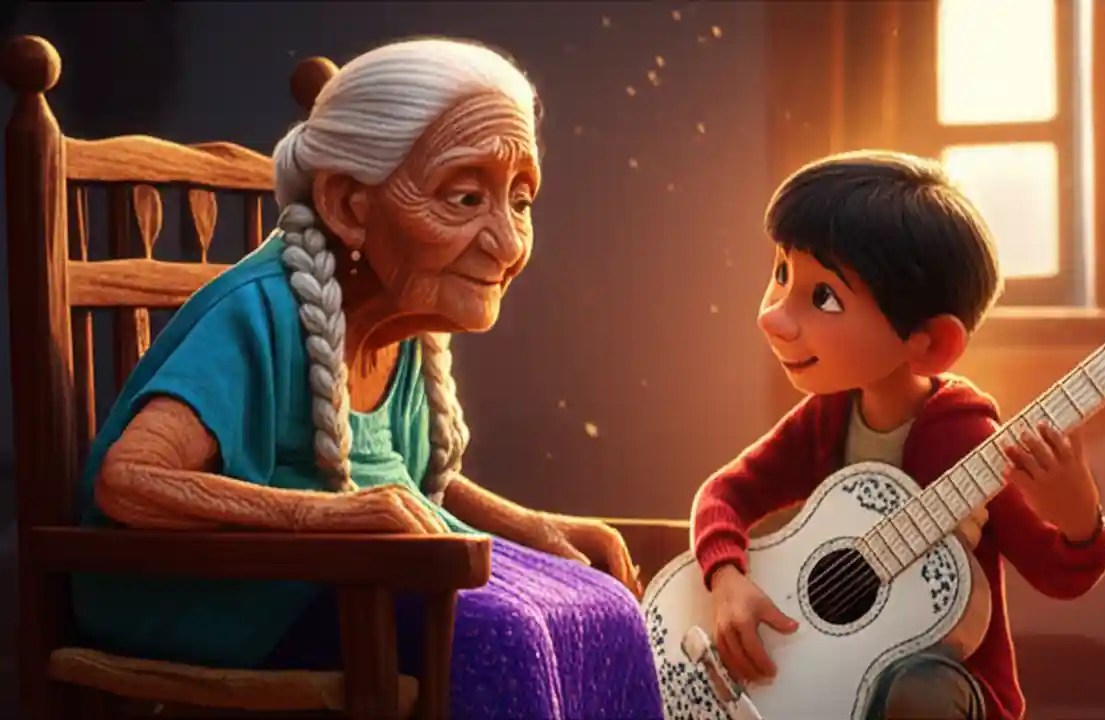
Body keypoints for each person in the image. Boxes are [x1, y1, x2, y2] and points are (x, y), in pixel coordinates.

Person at [71, 37, 662, 719]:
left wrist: (529, 524)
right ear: (351, 206)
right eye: (466, 198)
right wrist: (332, 519)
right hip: (233, 604)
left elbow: (399, 478)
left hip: (351, 580)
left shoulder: (402, 317)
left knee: (606, 608)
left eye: (520, 199)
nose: (508, 244)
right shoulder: (261, 312)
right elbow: (129, 480)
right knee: (503, 635)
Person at [690, 150, 1105, 720]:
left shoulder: (969, 442)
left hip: (940, 682)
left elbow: (1055, 573)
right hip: (830, 674)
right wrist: (727, 576)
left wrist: (1080, 519)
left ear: (930, 342)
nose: (773, 316)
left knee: (919, 691)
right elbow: (725, 494)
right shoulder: (827, 417)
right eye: (781, 273)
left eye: (824, 298)